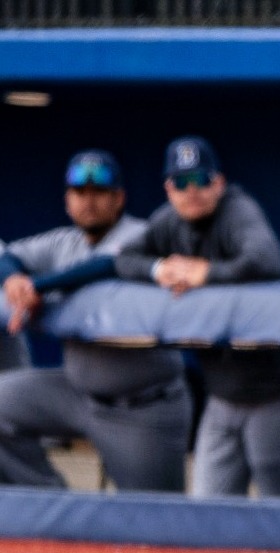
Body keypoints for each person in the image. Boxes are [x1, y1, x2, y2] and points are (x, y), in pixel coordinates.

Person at [111, 137, 280, 498]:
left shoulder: (238, 211)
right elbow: (123, 259)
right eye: (181, 183)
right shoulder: (168, 221)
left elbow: (267, 260)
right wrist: (159, 270)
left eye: (200, 180)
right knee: (208, 510)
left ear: (219, 182)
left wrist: (206, 274)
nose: (192, 191)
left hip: (279, 388)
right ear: (169, 188)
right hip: (223, 394)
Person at [0, 151, 192, 493]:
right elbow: (8, 255)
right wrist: (13, 279)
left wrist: (38, 287)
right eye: (80, 192)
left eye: (99, 193)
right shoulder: (63, 242)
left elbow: (106, 265)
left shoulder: (143, 235)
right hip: (76, 393)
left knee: (155, 524)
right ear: (67, 200)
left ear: (119, 198)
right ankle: (53, 505)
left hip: (141, 408)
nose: (89, 202)